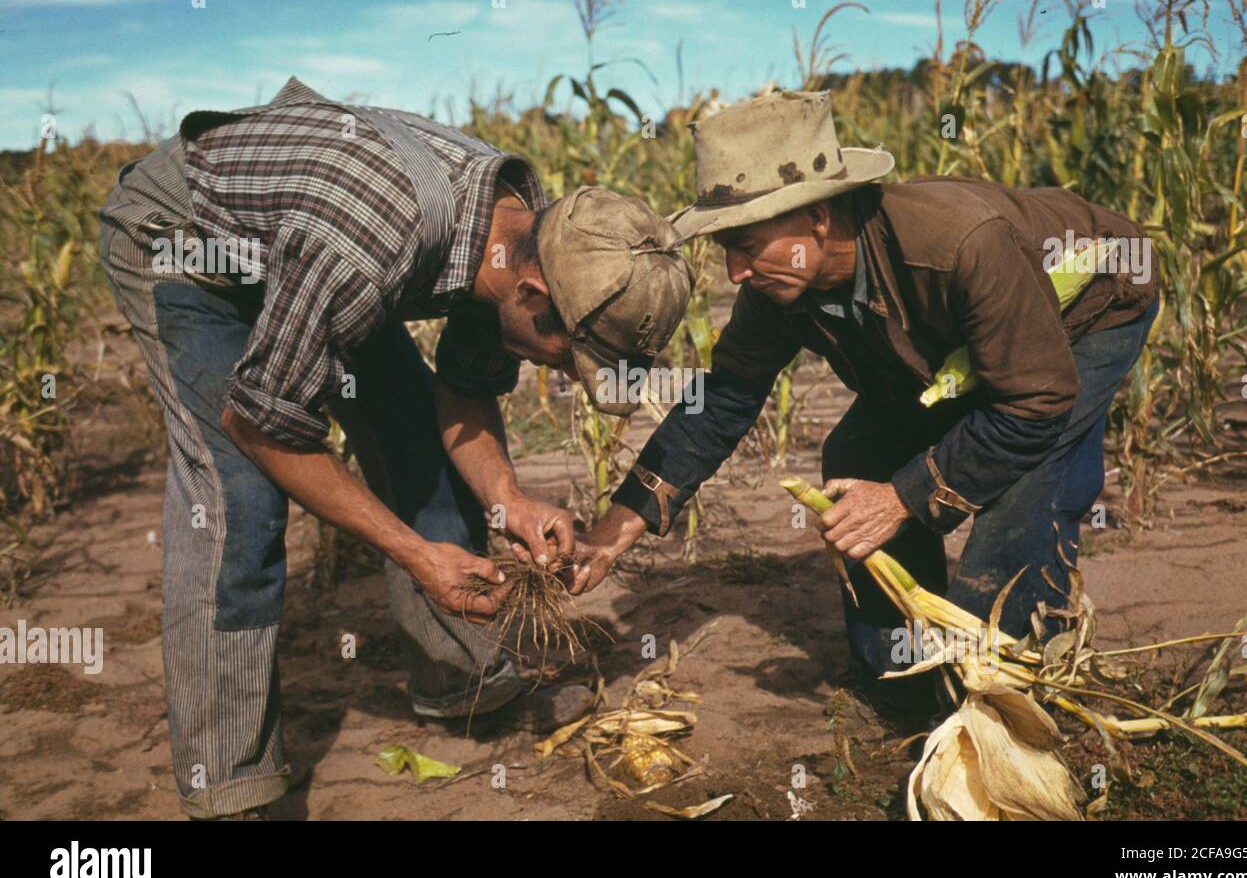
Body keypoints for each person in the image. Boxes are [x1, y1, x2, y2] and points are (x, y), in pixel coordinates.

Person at [98, 77, 693, 818]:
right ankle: (228, 781)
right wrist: (416, 553)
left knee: (415, 434)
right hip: (189, 244)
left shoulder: (525, 233)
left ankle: (459, 678)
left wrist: (507, 500)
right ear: (533, 294)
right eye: (566, 355)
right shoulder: (367, 239)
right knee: (237, 495)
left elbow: (460, 394)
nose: (558, 372)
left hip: (310, 250)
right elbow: (260, 425)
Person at [573, 89, 1158, 724]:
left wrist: (905, 495)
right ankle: (901, 675)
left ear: (817, 218)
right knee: (855, 455)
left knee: (1024, 491)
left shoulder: (960, 246)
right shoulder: (775, 292)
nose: (735, 272)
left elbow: (1033, 402)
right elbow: (724, 400)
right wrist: (621, 524)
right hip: (959, 345)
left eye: (746, 244)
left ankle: (1006, 690)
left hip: (1092, 302)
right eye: (724, 251)